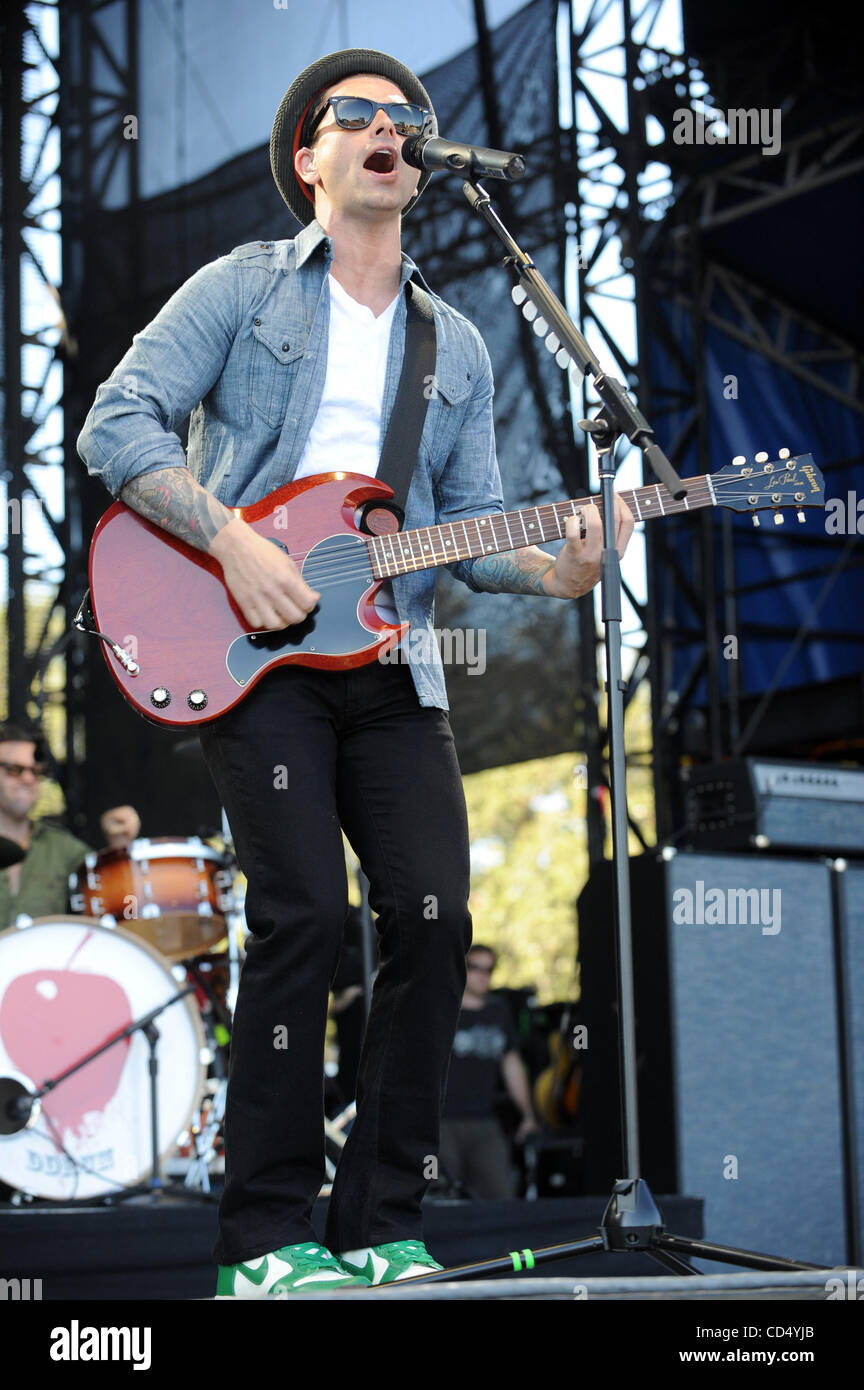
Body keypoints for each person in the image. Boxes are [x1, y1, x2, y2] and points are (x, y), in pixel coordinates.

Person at [77, 47, 634, 1295]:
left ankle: (379, 1221)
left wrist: (557, 573)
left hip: (395, 667)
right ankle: (263, 1241)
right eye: (361, 116)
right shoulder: (242, 288)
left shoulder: (460, 344)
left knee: (435, 922)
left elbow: (471, 531)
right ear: (311, 158)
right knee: (303, 923)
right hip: (252, 648)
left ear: (425, 168)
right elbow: (115, 423)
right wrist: (231, 541)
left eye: (410, 119)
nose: (394, 128)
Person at [0, 720, 140, 928]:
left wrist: (118, 848)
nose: (29, 779)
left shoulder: (62, 848)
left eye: (36, 771)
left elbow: (119, 911)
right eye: (15, 770)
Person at [439, 944, 538, 1198]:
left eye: (489, 969)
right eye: (475, 967)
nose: (483, 975)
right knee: (444, 1198)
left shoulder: (498, 1011)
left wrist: (527, 1113)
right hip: (443, 1121)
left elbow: (512, 1064)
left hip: (485, 1120)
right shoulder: (441, 1008)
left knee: (501, 1195)